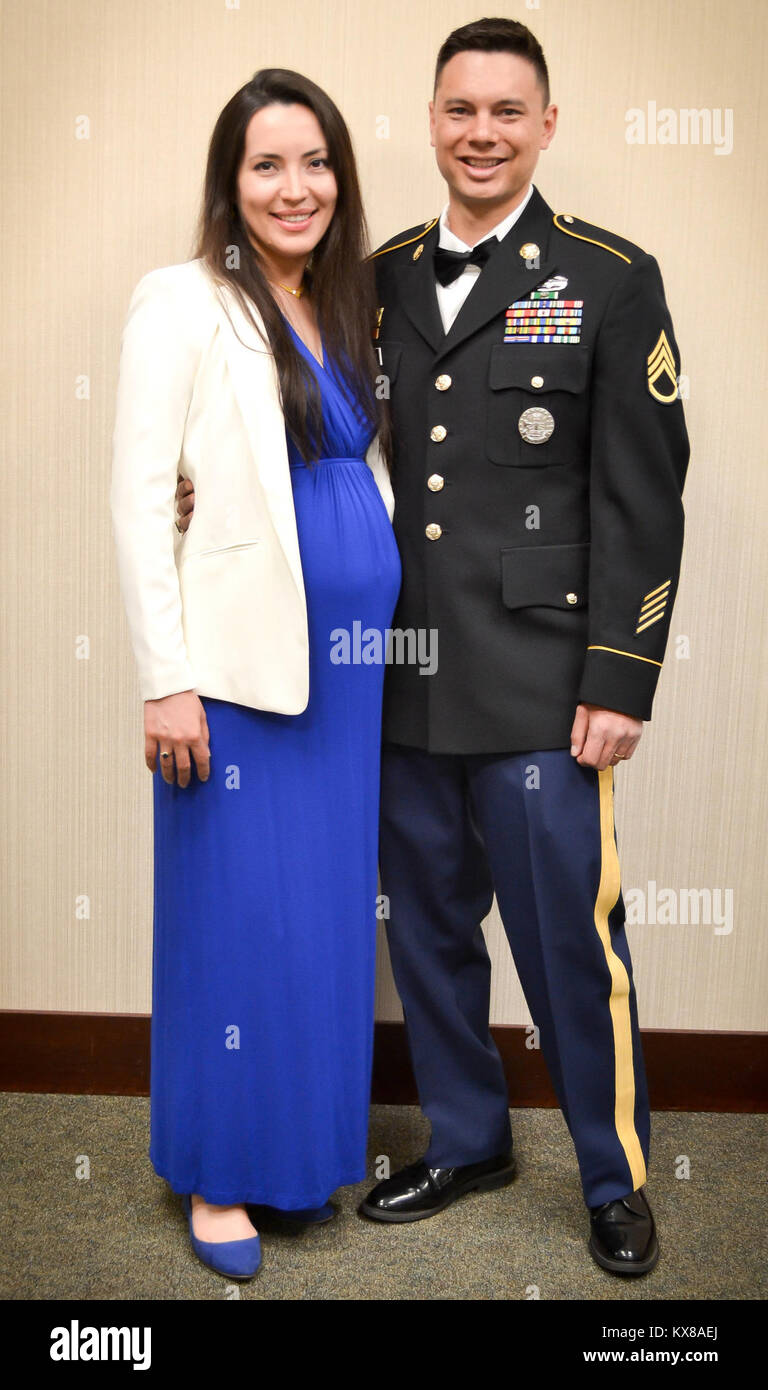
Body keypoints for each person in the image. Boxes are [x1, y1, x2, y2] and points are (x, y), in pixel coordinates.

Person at [176, 19, 690, 1279]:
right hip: (392, 673)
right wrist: (209, 498)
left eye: (508, 112)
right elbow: (316, 432)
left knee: (569, 939)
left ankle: (613, 1175)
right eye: (460, 109)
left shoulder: (610, 277)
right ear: (431, 119)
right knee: (432, 935)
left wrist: (622, 679)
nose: (481, 133)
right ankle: (466, 1139)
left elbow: (646, 493)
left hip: (540, 684)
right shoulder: (381, 274)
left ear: (547, 125)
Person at [110, 68, 401, 1280]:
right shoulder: (181, 300)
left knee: (321, 923)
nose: (297, 187)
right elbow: (138, 495)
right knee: (236, 922)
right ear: (231, 184)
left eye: (316, 161)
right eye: (268, 164)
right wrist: (164, 677)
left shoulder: (353, 302)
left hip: (351, 675)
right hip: (231, 672)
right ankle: (221, 1175)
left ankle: (298, 1161)